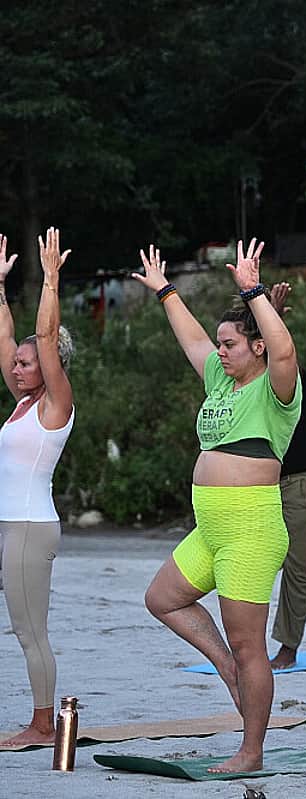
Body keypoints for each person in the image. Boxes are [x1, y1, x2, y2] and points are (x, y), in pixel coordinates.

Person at [136, 239, 302, 773]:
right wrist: (165, 290)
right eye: (221, 344)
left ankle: (251, 751)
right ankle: (229, 670)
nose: (221, 350)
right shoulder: (221, 379)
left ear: (254, 347)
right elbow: (190, 339)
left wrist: (253, 292)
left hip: (251, 528)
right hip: (210, 528)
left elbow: (284, 351)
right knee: (162, 598)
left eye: (231, 344)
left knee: (251, 645)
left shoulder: (277, 390)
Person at [0, 229, 75, 748]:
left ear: (47, 369)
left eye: (26, 365)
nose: (16, 367)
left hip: (31, 527)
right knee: (23, 631)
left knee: (31, 633)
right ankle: (41, 720)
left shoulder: (56, 404)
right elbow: (4, 341)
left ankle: (44, 724)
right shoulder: (24, 402)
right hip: (11, 525)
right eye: (18, 365)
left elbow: (41, 341)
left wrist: (50, 280)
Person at [264, 282, 306, 672]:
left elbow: (280, 355)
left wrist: (270, 315)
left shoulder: (298, 384)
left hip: (301, 482)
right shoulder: (260, 387)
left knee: (297, 568)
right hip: (266, 485)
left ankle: (289, 647)